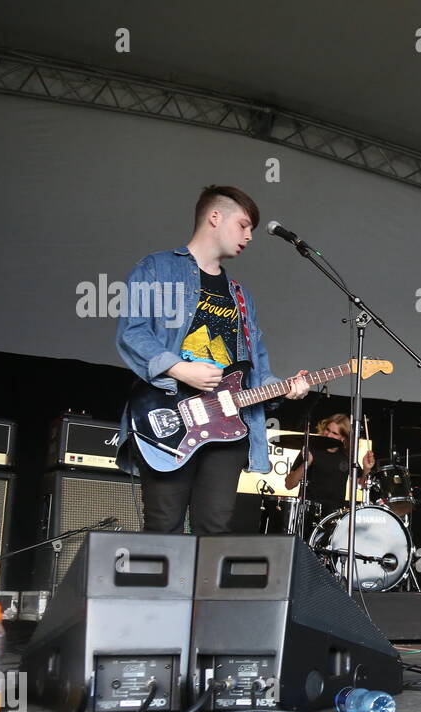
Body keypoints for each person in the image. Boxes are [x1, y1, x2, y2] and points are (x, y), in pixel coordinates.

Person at [116, 185, 311, 534]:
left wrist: (285, 388)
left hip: (228, 427)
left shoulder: (241, 296)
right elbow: (132, 331)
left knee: (215, 529)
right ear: (215, 216)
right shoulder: (157, 268)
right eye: (244, 225)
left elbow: (257, 371)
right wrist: (179, 368)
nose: (250, 236)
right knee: (164, 525)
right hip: (169, 415)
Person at [284, 413, 376, 514]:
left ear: (343, 438)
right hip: (308, 511)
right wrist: (306, 463)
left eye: (334, 433)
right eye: (327, 430)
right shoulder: (311, 449)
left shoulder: (347, 456)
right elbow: (289, 484)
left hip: (334, 515)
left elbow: (361, 485)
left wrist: (367, 469)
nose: (328, 434)